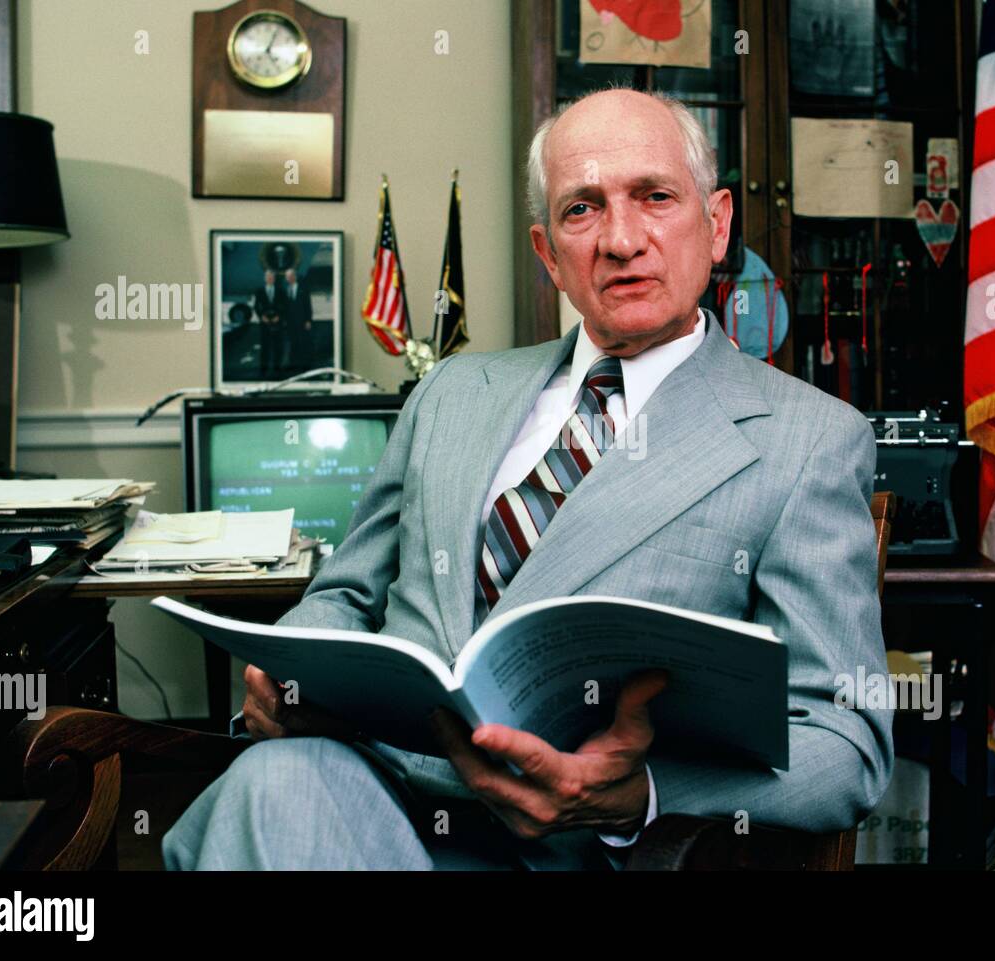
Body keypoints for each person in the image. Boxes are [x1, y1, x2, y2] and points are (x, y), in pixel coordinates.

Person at [164, 88, 893, 871]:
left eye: (655, 197)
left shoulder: (810, 440)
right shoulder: (449, 392)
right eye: (583, 210)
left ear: (716, 225)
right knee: (274, 781)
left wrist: (638, 792)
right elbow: (346, 595)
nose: (621, 240)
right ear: (549, 255)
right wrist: (293, 669)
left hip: (575, 849)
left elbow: (847, 742)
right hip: (370, 794)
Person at [252, 268, 285, 378]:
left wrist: (279, 316)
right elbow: (256, 306)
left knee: (277, 347)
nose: (270, 279)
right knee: (265, 347)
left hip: (277, 322)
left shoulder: (280, 290)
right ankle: (263, 370)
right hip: (264, 323)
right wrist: (262, 317)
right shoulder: (259, 291)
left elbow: (285, 305)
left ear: (274, 279)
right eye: (268, 277)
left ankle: (277, 369)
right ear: (265, 279)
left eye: (272, 277)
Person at [281, 267, 313, 374]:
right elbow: (284, 307)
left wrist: (308, 320)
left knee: (303, 343)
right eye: (287, 277)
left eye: (290, 276)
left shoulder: (303, 288)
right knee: (292, 343)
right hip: (290, 322)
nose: (289, 279)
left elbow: (308, 305)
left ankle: (305, 365)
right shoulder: (286, 289)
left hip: (302, 321)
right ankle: (293, 364)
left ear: (294, 276)